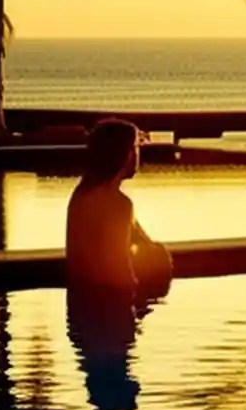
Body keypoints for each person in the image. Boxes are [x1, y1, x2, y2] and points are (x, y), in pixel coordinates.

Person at [66, 119, 173, 300]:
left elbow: (141, 241)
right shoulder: (118, 204)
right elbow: (120, 270)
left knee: (157, 253)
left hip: (80, 304)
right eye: (136, 147)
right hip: (110, 305)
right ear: (126, 154)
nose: (139, 154)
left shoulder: (81, 195)